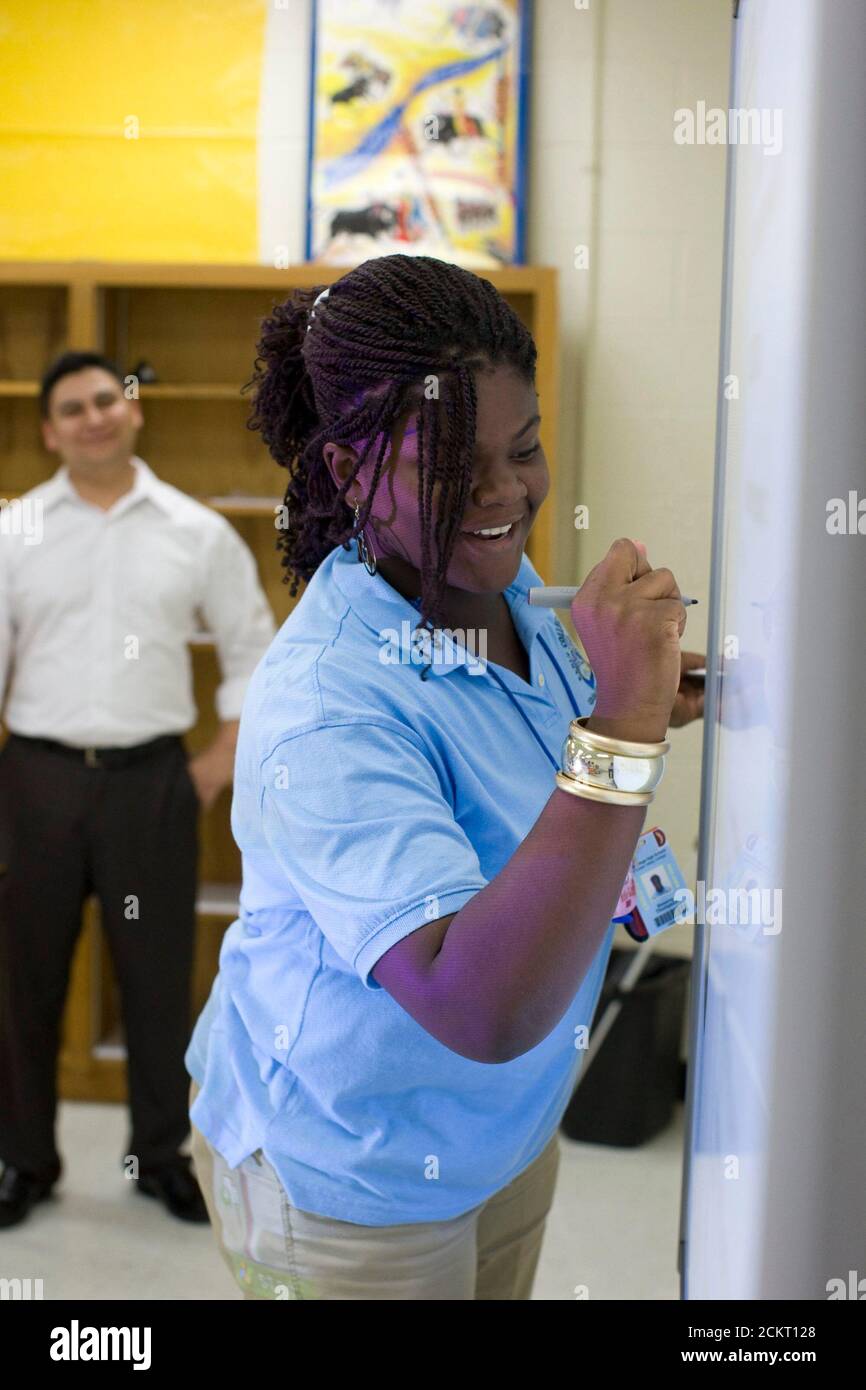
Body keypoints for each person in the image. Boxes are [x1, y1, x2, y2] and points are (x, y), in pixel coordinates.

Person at [185, 254, 705, 1300]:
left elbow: (530, 783)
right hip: (353, 1175)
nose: (505, 495)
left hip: (497, 1134)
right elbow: (477, 1003)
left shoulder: (509, 604)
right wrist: (620, 726)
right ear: (344, 471)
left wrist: (631, 697)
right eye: (455, 470)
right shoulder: (326, 705)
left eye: (523, 450)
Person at [0, 351, 276, 1228]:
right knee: (19, 987)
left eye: (106, 401)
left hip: (153, 787)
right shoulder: (16, 532)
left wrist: (211, 767)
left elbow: (253, 655)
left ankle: (160, 1157)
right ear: (49, 432)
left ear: (133, 412)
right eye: (72, 408)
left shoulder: (195, 531)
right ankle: (23, 1163)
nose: (94, 417)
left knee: (158, 983)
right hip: (33, 782)